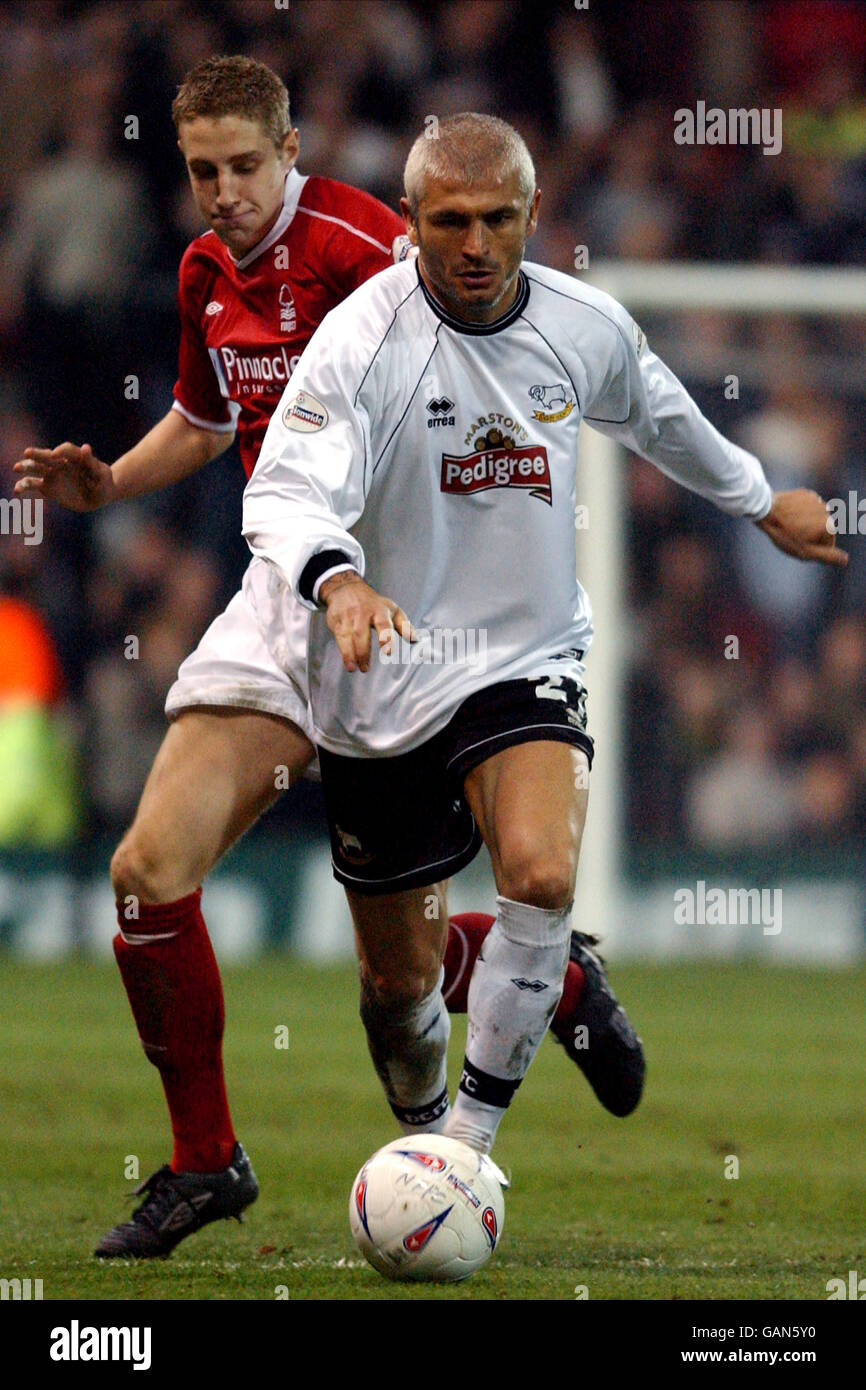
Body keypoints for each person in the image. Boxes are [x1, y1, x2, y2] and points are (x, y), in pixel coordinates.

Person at [12, 63, 643, 1259]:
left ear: (291, 148)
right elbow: (211, 422)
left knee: (392, 988)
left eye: (245, 166)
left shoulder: (370, 248)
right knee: (146, 870)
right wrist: (113, 479)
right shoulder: (206, 272)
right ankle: (206, 1162)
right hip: (284, 594)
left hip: (400, 601)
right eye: (201, 171)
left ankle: (535, 966)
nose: (222, 193)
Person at [242, 112, 846, 1159]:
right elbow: (282, 493)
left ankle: (465, 1155)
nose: (472, 246)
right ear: (408, 223)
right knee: (397, 994)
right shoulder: (361, 342)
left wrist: (758, 501)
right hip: (381, 674)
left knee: (538, 877)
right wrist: (337, 584)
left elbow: (661, 416)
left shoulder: (584, 326)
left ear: (532, 215)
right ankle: (453, 1093)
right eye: (447, 222)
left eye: (494, 220)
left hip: (525, 656)